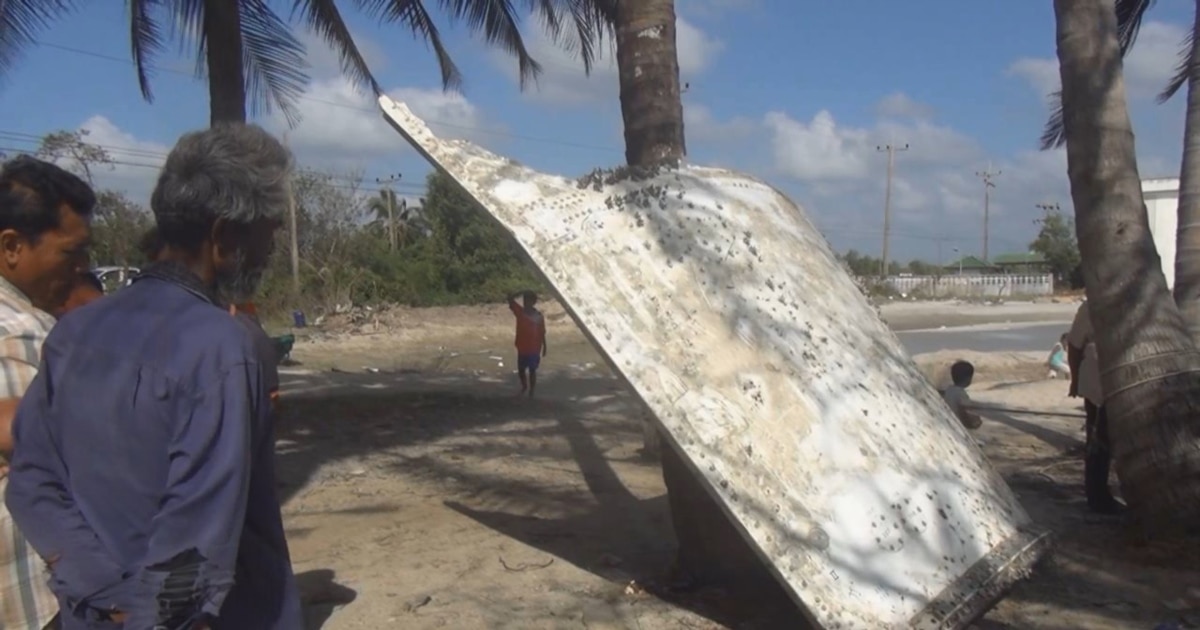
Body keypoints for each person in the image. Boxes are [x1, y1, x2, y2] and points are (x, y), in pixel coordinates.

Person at [5, 124, 303, 629]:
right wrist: (145, 612)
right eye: (266, 233)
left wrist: (105, 595)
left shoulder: (74, 332)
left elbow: (32, 483)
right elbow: (195, 534)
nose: (269, 250)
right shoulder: (221, 347)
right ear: (223, 235)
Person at [0, 156, 95, 630]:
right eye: (70, 252)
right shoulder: (20, 329)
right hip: (33, 593)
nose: (81, 267)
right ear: (13, 246)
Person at [1066, 300, 1123, 514]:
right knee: (1098, 440)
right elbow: (1074, 346)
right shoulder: (1090, 306)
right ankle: (1097, 495)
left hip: (1122, 378)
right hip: (1097, 382)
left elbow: (1074, 346)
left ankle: (1106, 493)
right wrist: (1075, 380)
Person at [507, 289, 547, 397]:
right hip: (522, 347)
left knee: (532, 370)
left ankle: (531, 391)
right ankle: (524, 386)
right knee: (521, 370)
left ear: (533, 302)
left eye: (528, 300)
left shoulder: (538, 316)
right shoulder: (520, 312)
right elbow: (510, 299)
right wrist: (521, 292)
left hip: (534, 348)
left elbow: (542, 332)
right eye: (524, 300)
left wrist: (545, 346)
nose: (525, 302)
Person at [942, 360, 983, 430]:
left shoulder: (949, 390)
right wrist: (976, 422)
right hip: (958, 427)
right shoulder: (961, 394)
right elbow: (967, 412)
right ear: (968, 378)